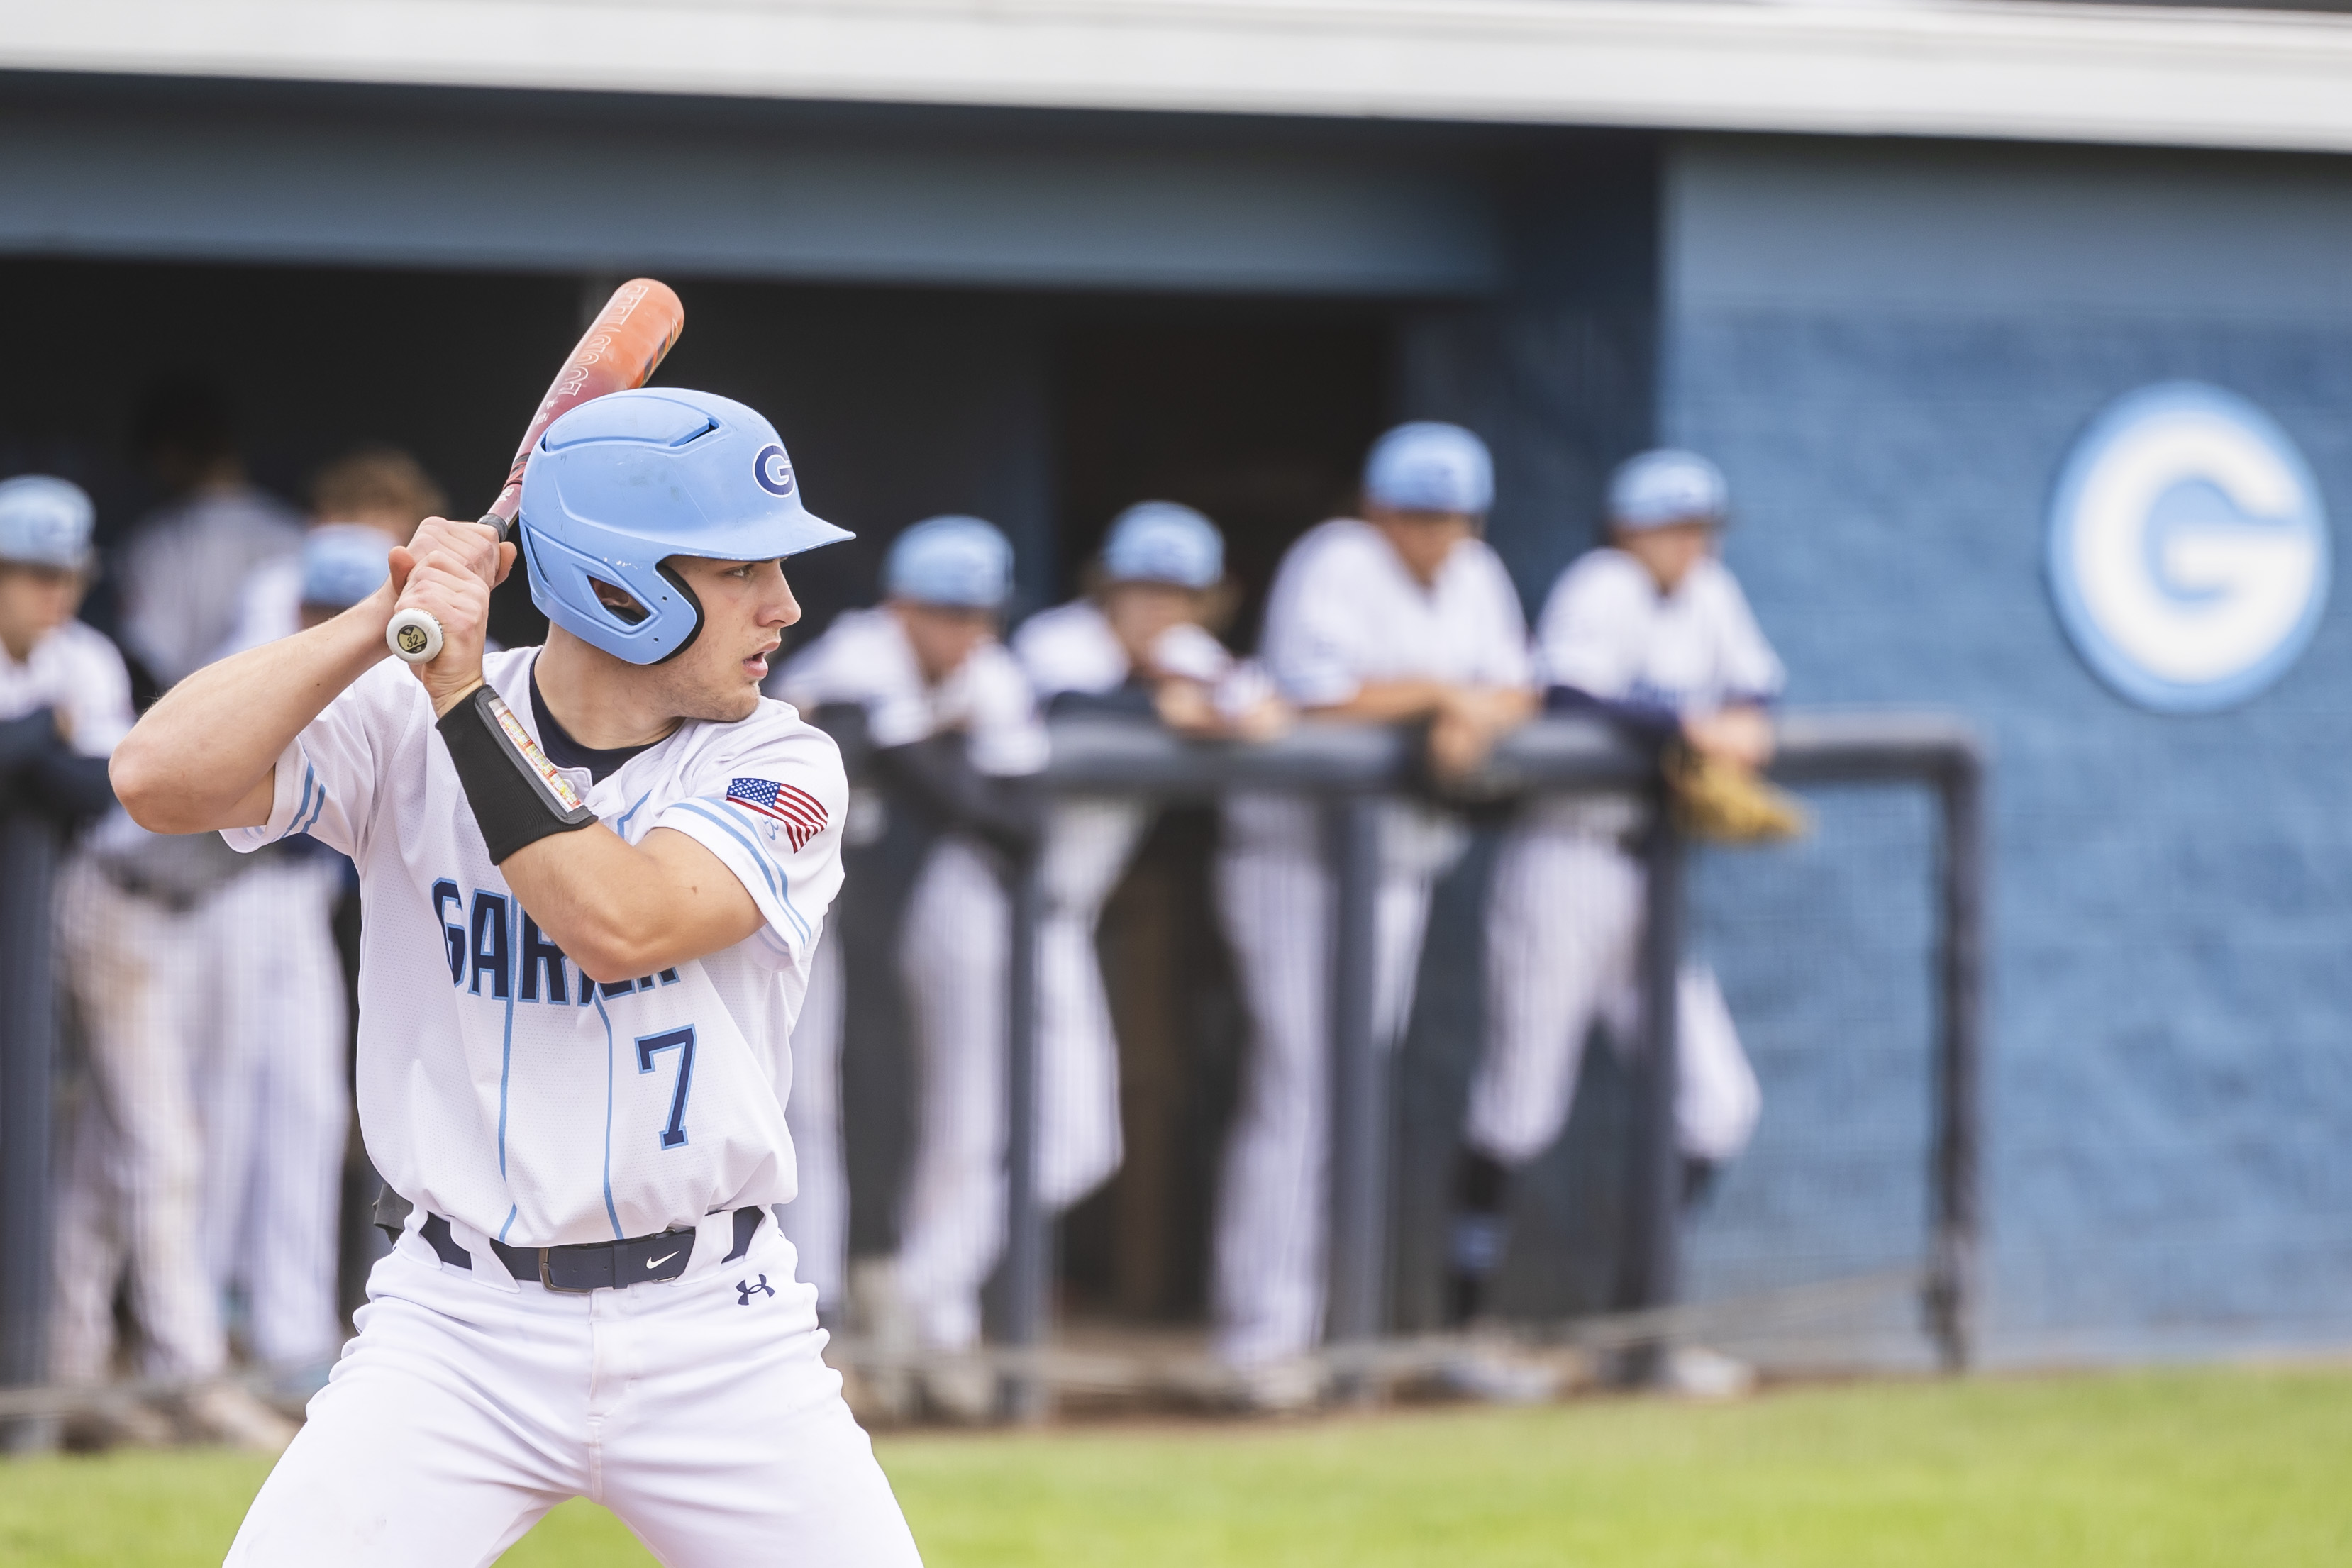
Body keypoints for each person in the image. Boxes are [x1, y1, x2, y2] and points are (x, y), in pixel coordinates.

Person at [111, 387, 921, 1564]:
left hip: (716, 1330)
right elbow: (156, 779)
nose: (784, 606)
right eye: (742, 571)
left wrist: (457, 690)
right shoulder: (399, 714)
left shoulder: (781, 757)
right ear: (618, 580)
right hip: (454, 1325)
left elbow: (622, 920)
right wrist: (382, 617)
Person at [1213, 422, 1535, 1408]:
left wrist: (1474, 711)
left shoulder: (1478, 573)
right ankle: (1262, 1341)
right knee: (1303, 1093)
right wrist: (1444, 693)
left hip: (1396, 870)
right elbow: (1317, 698)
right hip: (1293, 864)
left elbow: (1519, 685)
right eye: (1418, 514)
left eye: (1453, 516)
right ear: (1376, 507)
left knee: (1346, 1096)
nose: (1437, 533)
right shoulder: (1335, 560)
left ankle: (1324, 1331)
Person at [1450, 447, 1775, 1396]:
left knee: (1718, 1102)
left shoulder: (1710, 592)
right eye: (1679, 527)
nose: (1696, 544)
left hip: (1653, 870)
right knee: (1519, 1104)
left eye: (1703, 528)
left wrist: (1744, 719)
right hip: (1564, 863)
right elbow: (1570, 691)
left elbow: (1756, 685)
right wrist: (1691, 728)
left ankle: (1642, 1327)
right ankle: (1463, 1329)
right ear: (1631, 528)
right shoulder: (1600, 585)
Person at [770, 516, 1046, 1421]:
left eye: (976, 614)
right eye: (942, 612)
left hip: (854, 901)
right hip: (762, 887)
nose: (961, 632)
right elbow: (853, 750)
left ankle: (877, 1310)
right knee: (798, 1104)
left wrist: (915, 749)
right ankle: (810, 1320)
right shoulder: (855, 660)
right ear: (900, 608)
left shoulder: (990, 676)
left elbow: (1014, 825)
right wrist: (920, 747)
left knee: (862, 1102)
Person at [196, 451, 445, 1403]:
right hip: (197, 890)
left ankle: (291, 1335)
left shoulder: (407, 619)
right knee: (204, 1128)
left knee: (304, 1110)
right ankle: (203, 1326)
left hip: (293, 892)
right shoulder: (278, 604)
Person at [1009, 501, 1286, 1284]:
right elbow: (1059, 704)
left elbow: (1260, 708)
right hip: (988, 903)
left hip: (1058, 918)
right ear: (1109, 588)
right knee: (975, 1140)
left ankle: (933, 1295)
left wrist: (1228, 703)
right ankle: (930, 1310)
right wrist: (1159, 707)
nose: (1158, 610)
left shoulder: (1187, 653)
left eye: (1178, 595)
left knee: (1077, 1145)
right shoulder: (1059, 638)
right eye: (1142, 590)